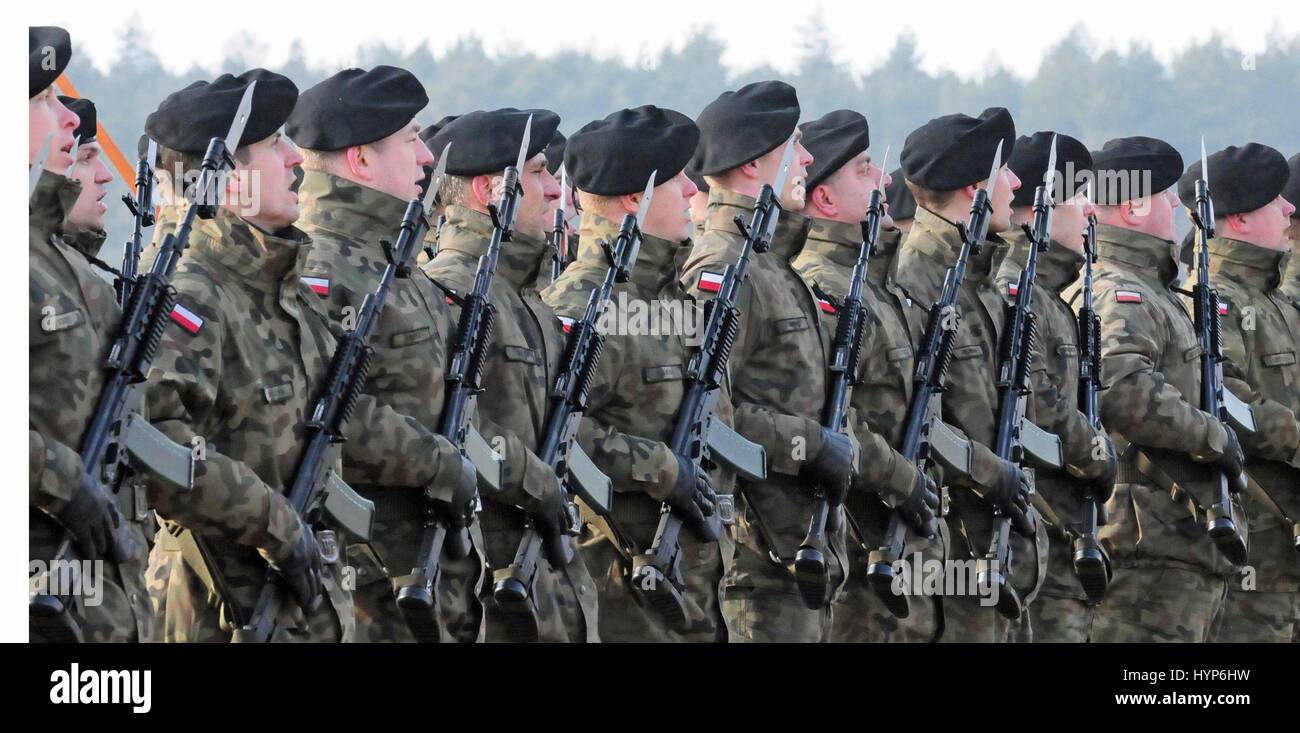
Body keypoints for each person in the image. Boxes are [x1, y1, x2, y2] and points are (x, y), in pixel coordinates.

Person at [288, 67, 482, 642]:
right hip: (367, 576)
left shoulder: (396, 263)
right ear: (361, 162)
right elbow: (328, 409)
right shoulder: (318, 265)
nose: (427, 157)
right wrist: (442, 462)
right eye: (410, 139)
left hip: (430, 567)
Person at [541, 105, 734, 642]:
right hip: (623, 588)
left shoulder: (670, 300)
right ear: (636, 199)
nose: (694, 192)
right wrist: (661, 469)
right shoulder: (583, 305)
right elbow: (553, 435)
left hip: (696, 588)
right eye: (678, 181)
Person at [680, 80, 859, 642]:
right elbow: (709, 415)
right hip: (757, 566)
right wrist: (810, 443)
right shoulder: (724, 267)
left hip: (798, 554)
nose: (808, 158)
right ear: (756, 163)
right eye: (795, 145)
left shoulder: (770, 264)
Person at [423, 108, 600, 642]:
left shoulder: (525, 298)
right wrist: (535, 479)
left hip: (545, 588)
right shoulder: (449, 290)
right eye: (539, 173)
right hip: (488, 588)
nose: (555, 191)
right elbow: (445, 430)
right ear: (489, 190)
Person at [1078, 136, 1248, 643]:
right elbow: (1122, 387)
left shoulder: (1154, 290)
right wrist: (1212, 437)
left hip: (1172, 538)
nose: (1177, 206)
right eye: (1167, 195)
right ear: (1133, 205)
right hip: (1146, 545)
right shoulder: (1119, 291)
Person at [790, 109, 944, 642]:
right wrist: (902, 478)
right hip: (857, 548)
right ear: (826, 200)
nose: (882, 181)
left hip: (901, 547)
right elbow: (832, 416)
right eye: (862, 170)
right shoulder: (822, 285)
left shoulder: (875, 283)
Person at [895, 108, 1048, 642]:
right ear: (975, 188)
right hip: (948, 550)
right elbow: (911, 422)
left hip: (994, 550)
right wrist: (991, 472)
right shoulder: (915, 278)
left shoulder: (977, 277)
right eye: (1004, 173)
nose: (1016, 184)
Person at [30, 26, 153, 643]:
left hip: (108, 602)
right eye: (45, 101)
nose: (67, 121)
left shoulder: (62, 267)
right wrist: (68, 485)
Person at [993, 131, 1117, 642]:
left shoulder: (1050, 289)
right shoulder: (1014, 287)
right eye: (1077, 197)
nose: (1090, 211)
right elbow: (1032, 402)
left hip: (1060, 535)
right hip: (1029, 533)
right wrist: (1098, 452)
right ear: (1037, 208)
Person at [1173, 144, 1299, 643]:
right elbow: (1224, 395)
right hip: (1255, 539)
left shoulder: (1275, 304)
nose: (1289, 210)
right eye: (1275, 202)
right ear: (1242, 219)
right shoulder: (1213, 297)